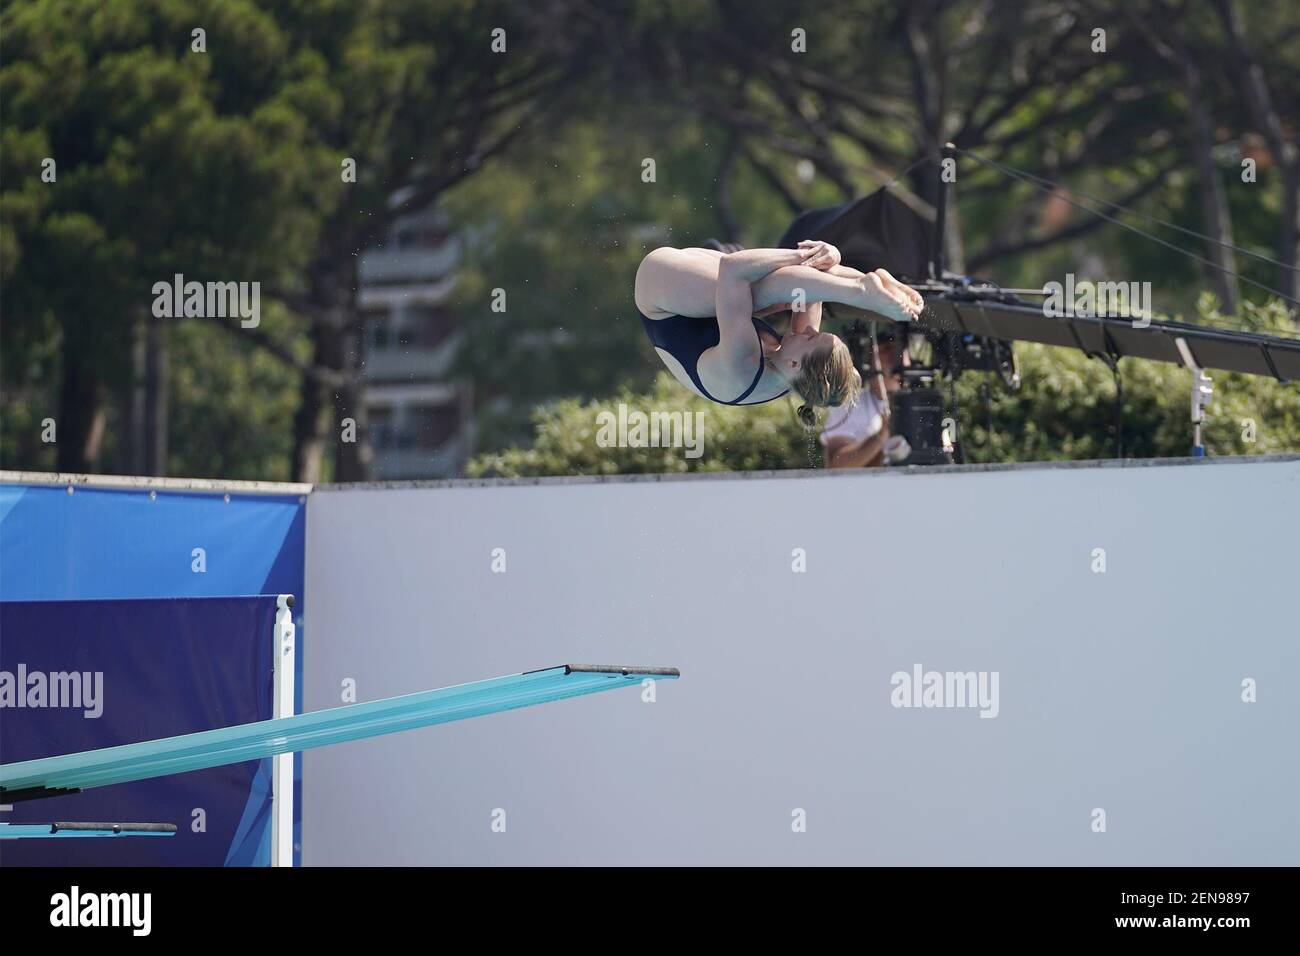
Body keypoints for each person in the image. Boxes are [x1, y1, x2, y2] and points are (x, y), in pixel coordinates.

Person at [634, 243, 923, 425]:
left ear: (796, 364)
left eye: (812, 337)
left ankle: (860, 292)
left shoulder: (740, 367)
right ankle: (866, 286)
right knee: (802, 286)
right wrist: (829, 253)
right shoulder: (796, 364)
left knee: (765, 292)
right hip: (702, 285)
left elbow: (734, 268)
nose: (810, 329)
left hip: (660, 290)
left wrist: (801, 256)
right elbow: (814, 285)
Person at [821, 325, 905, 468]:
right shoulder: (850, 403)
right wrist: (881, 436)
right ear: (869, 361)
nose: (895, 356)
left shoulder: (925, 403)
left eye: (900, 349)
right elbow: (837, 466)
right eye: (886, 349)